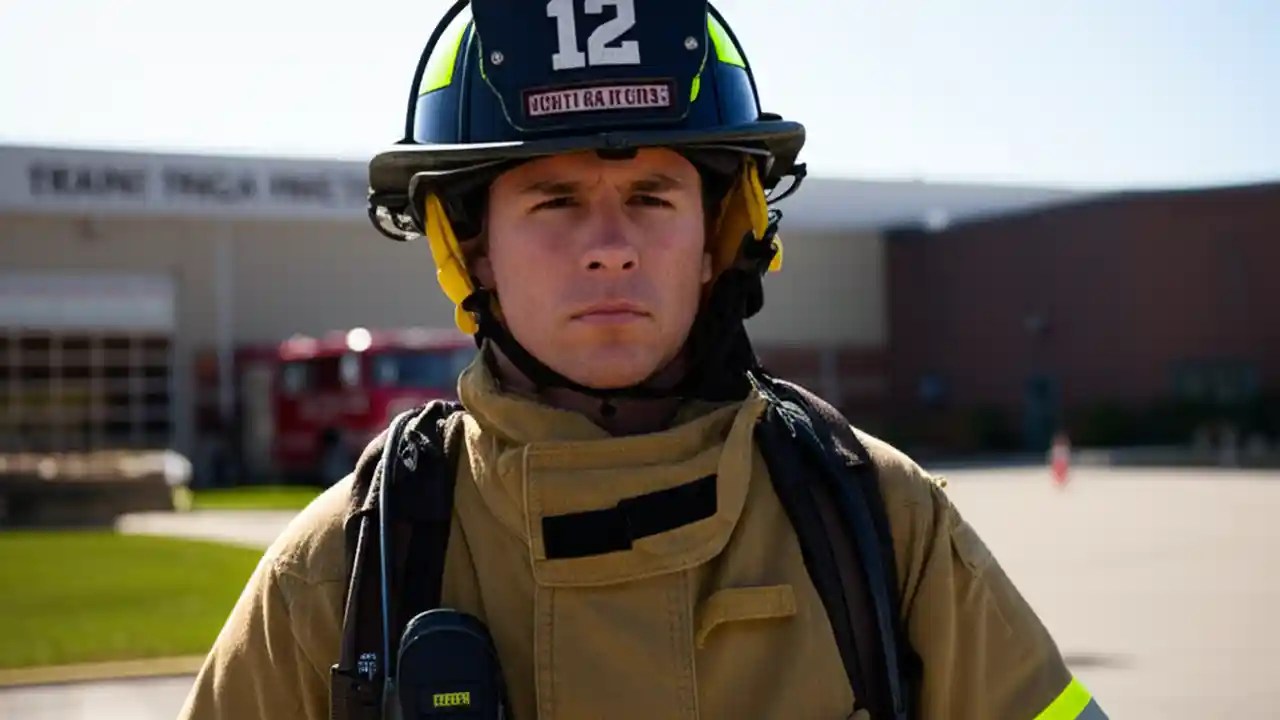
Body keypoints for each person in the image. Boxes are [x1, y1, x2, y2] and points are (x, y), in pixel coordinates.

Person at [179, 1, 1106, 718]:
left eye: (654, 195)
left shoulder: (880, 521)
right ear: (474, 250)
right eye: (554, 200)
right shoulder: (342, 571)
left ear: (717, 238)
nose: (611, 246)